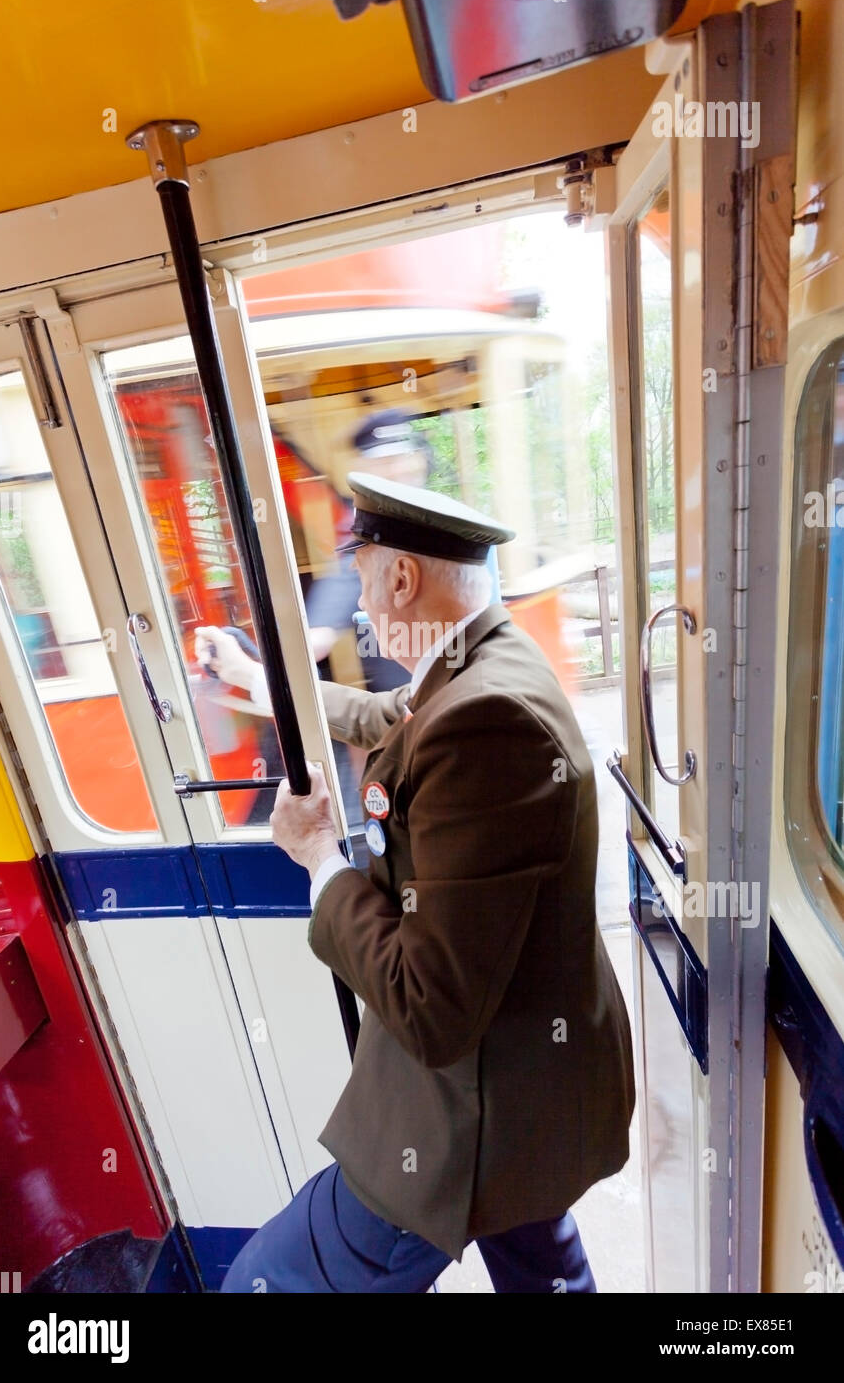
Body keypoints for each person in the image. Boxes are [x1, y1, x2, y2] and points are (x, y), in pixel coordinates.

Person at [207, 471, 635, 1293]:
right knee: (539, 1256)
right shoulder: (487, 662)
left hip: (469, 1118)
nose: (362, 607)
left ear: (401, 578)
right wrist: (262, 684)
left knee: (265, 1282)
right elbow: (388, 718)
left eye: (365, 581)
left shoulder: (484, 724)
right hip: (530, 1086)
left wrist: (320, 859)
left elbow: (431, 1012)